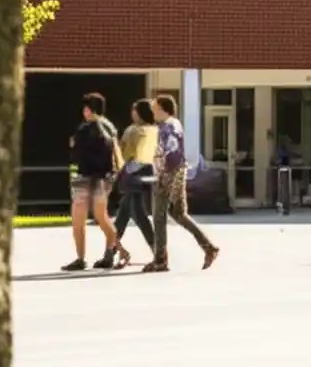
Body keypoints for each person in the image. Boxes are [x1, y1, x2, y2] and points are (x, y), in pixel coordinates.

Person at [143, 94, 219, 272]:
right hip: (177, 171)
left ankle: (160, 259)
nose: (153, 112)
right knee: (179, 213)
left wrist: (163, 174)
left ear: (162, 109)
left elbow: (171, 153)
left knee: (159, 215)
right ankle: (208, 247)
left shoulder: (167, 127)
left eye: (155, 108)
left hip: (168, 173)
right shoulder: (174, 124)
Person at [63, 92, 129, 271]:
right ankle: (112, 252)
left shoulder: (84, 129)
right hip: (104, 178)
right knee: (102, 217)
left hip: (85, 177)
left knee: (78, 220)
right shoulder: (110, 127)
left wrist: (73, 143)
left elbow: (76, 151)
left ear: (88, 109)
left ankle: (80, 258)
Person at [111, 99, 158, 267]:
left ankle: (158, 252)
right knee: (123, 215)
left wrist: (120, 168)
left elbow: (123, 153)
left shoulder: (133, 130)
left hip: (132, 173)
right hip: (146, 171)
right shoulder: (154, 130)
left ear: (139, 113)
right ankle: (110, 253)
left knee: (138, 214)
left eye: (134, 110)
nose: (132, 113)